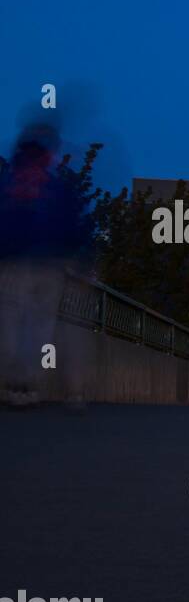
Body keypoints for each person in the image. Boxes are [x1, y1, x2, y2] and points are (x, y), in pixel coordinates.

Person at [0, 123, 93, 407]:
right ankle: (27, 384)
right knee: (38, 327)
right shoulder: (56, 186)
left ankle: (12, 382)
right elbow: (73, 223)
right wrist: (82, 261)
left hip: (13, 261)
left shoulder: (8, 183)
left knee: (11, 323)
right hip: (50, 263)